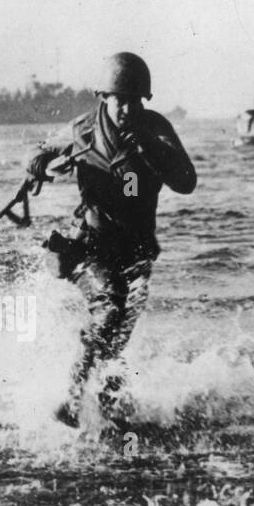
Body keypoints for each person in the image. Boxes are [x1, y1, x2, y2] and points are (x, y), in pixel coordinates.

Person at [26, 52, 196, 427]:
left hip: (136, 251)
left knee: (119, 334)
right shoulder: (82, 130)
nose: (127, 109)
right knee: (109, 311)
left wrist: (150, 149)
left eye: (136, 101)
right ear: (104, 97)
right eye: (121, 100)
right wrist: (42, 164)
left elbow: (187, 181)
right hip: (92, 246)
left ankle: (108, 411)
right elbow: (39, 151)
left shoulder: (155, 128)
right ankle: (71, 399)